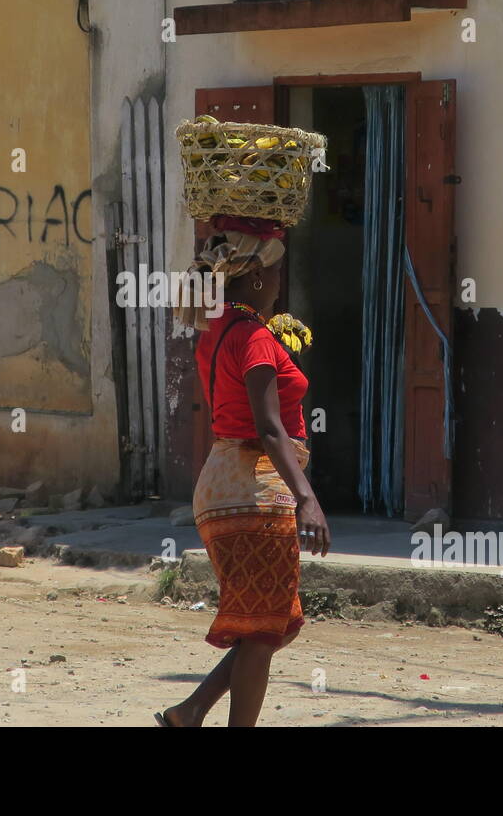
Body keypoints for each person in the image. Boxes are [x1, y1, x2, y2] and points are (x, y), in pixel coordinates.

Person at [158, 216, 331, 727]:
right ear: (256, 279)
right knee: (261, 630)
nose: (281, 284)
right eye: (276, 275)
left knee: (274, 624)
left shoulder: (220, 329)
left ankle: (190, 712)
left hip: (221, 486)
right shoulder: (253, 335)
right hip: (254, 491)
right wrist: (307, 498)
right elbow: (270, 428)